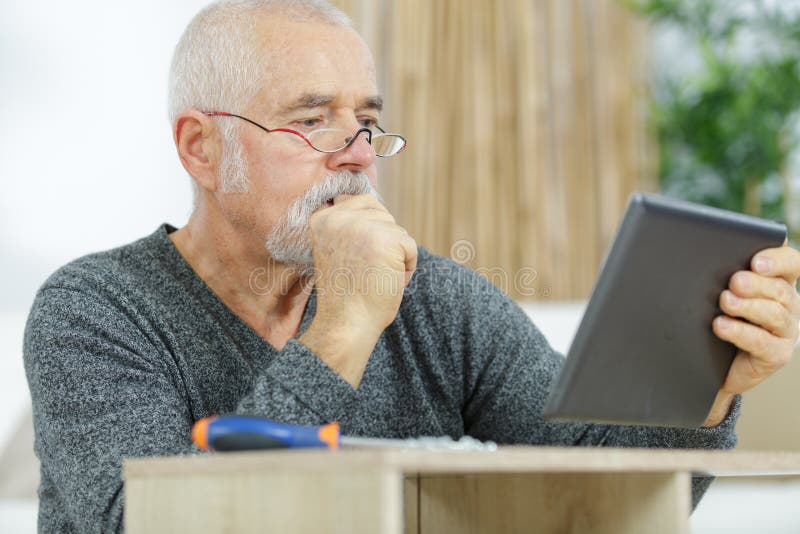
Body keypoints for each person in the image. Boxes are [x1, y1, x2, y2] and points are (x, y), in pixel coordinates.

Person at [23, 0, 800, 532]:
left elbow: (599, 488)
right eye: (311, 119)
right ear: (200, 146)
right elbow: (151, 522)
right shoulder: (92, 310)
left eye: (366, 120)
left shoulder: (435, 299)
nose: (358, 153)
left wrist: (707, 386)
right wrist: (345, 328)